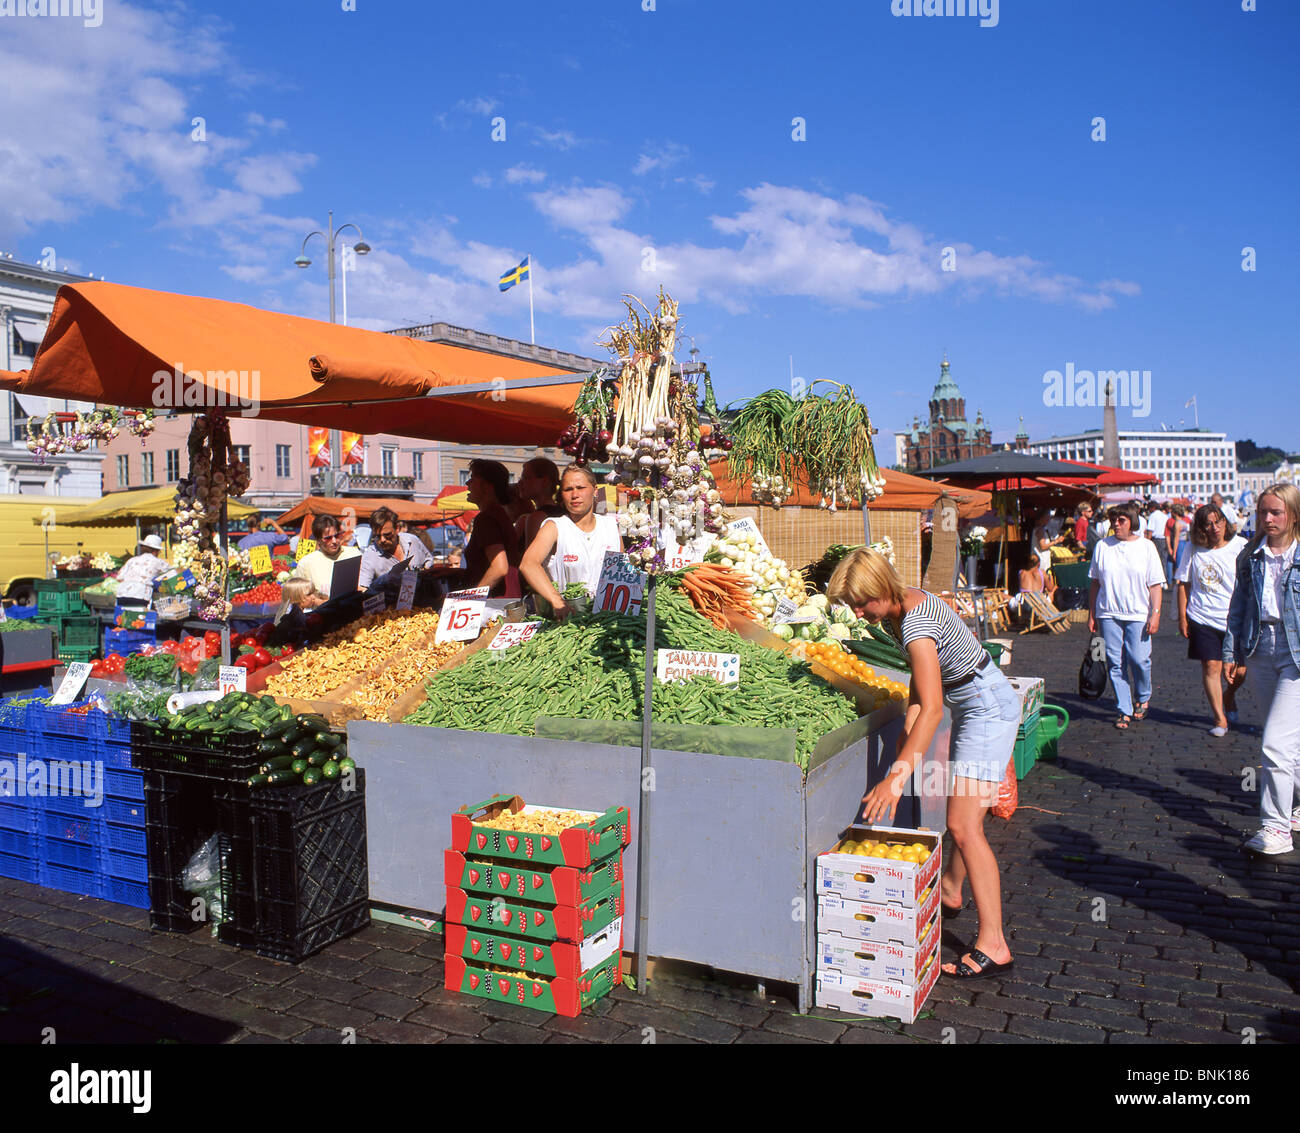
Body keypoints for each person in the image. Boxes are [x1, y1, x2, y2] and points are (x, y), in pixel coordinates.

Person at [828, 548, 1018, 980]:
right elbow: (923, 681)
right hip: (974, 702)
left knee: (964, 826)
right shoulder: (904, 604)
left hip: (986, 709)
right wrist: (909, 719)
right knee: (965, 819)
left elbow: (934, 710)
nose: (858, 612)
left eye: (862, 602)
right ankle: (951, 890)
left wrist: (896, 778)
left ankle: (995, 943)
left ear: (881, 589)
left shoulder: (914, 622)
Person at [1224, 483, 1300, 855]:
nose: (1268, 519)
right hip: (1261, 647)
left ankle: (1276, 828)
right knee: (1288, 743)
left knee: (1274, 743)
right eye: (1262, 512)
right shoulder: (1251, 555)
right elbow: (1238, 607)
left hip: (1297, 652)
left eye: (1276, 513)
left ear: (1293, 514)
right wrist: (1231, 652)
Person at [1088, 502, 1164, 730]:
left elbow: (1155, 585)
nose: (1116, 524)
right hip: (1108, 612)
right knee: (1115, 662)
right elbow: (1095, 583)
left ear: (1132, 522)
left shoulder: (1147, 547)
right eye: (1113, 520)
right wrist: (1092, 614)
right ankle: (1124, 708)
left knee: (1139, 658)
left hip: (1138, 612)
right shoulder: (1103, 546)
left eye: (1121, 520)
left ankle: (1143, 695)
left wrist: (1155, 613)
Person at [1176, 504, 1248, 737]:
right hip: (1202, 616)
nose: (1214, 527)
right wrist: (1183, 616)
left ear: (1226, 522)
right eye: (1208, 523)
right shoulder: (1194, 548)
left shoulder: (1241, 547)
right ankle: (1220, 718)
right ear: (1201, 527)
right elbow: (1183, 583)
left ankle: (1229, 695)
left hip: (1234, 619)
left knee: (1241, 672)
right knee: (1211, 666)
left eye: (1218, 522)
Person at [519, 464, 622, 618]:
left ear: (595, 491)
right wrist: (557, 601)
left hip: (607, 621)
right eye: (568, 489)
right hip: (567, 621)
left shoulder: (611, 526)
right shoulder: (554, 526)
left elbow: (621, 575)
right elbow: (528, 564)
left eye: (580, 488)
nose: (575, 495)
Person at [461, 459, 521, 598]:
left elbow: (500, 568)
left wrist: (471, 598)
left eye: (473, 479)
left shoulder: (486, 518)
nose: (467, 484)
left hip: (494, 603)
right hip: (506, 599)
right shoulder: (499, 514)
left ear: (487, 487)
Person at [358, 505, 432, 588]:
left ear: (397, 528)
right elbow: (363, 588)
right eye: (378, 536)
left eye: (388, 535)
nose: (382, 540)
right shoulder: (369, 556)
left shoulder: (412, 541)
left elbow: (428, 562)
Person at [292, 514, 361, 600]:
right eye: (328, 538)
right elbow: (298, 598)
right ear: (318, 540)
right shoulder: (306, 563)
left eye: (337, 536)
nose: (334, 541)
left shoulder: (354, 554)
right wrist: (320, 602)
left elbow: (362, 586)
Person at [513, 457, 565, 551]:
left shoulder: (536, 518)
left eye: (525, 477)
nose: (520, 483)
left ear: (545, 481)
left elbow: (528, 562)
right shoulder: (564, 513)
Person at [1147, 500, 1170, 587]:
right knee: (1164, 560)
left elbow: (1150, 530)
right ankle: (1165, 581)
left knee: (1156, 560)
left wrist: (1148, 541)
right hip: (1164, 538)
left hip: (1156, 539)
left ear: (1152, 508)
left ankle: (1159, 580)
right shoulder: (1164, 516)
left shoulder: (1153, 516)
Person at [1166, 504, 1190, 584]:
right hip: (1184, 544)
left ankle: (1177, 584)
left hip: (1179, 545)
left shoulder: (1177, 523)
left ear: (1175, 513)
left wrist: (1174, 553)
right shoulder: (1184, 523)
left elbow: (1176, 538)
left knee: (1178, 567)